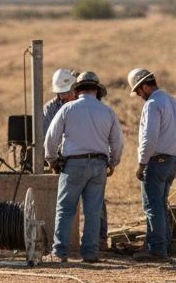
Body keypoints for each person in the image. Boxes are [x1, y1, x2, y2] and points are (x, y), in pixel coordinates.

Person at [44, 71, 123, 264]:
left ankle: (60, 252)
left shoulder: (67, 109)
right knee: (93, 211)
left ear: (77, 89)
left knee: (65, 209)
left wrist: (52, 160)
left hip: (73, 165)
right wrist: (112, 163)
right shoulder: (108, 112)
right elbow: (118, 142)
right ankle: (90, 253)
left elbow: (51, 138)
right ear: (97, 90)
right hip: (99, 165)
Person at [127, 67, 176, 262]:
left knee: (152, 206)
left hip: (155, 161)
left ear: (144, 86)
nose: (138, 95)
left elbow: (149, 138)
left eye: (138, 91)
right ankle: (163, 246)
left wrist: (142, 163)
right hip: (171, 160)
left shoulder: (152, 104)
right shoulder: (174, 102)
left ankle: (157, 250)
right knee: (161, 204)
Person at [42, 68, 77, 139]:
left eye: (64, 93)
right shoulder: (50, 109)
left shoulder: (87, 105)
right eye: (59, 93)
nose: (61, 97)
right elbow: (48, 138)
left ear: (74, 90)